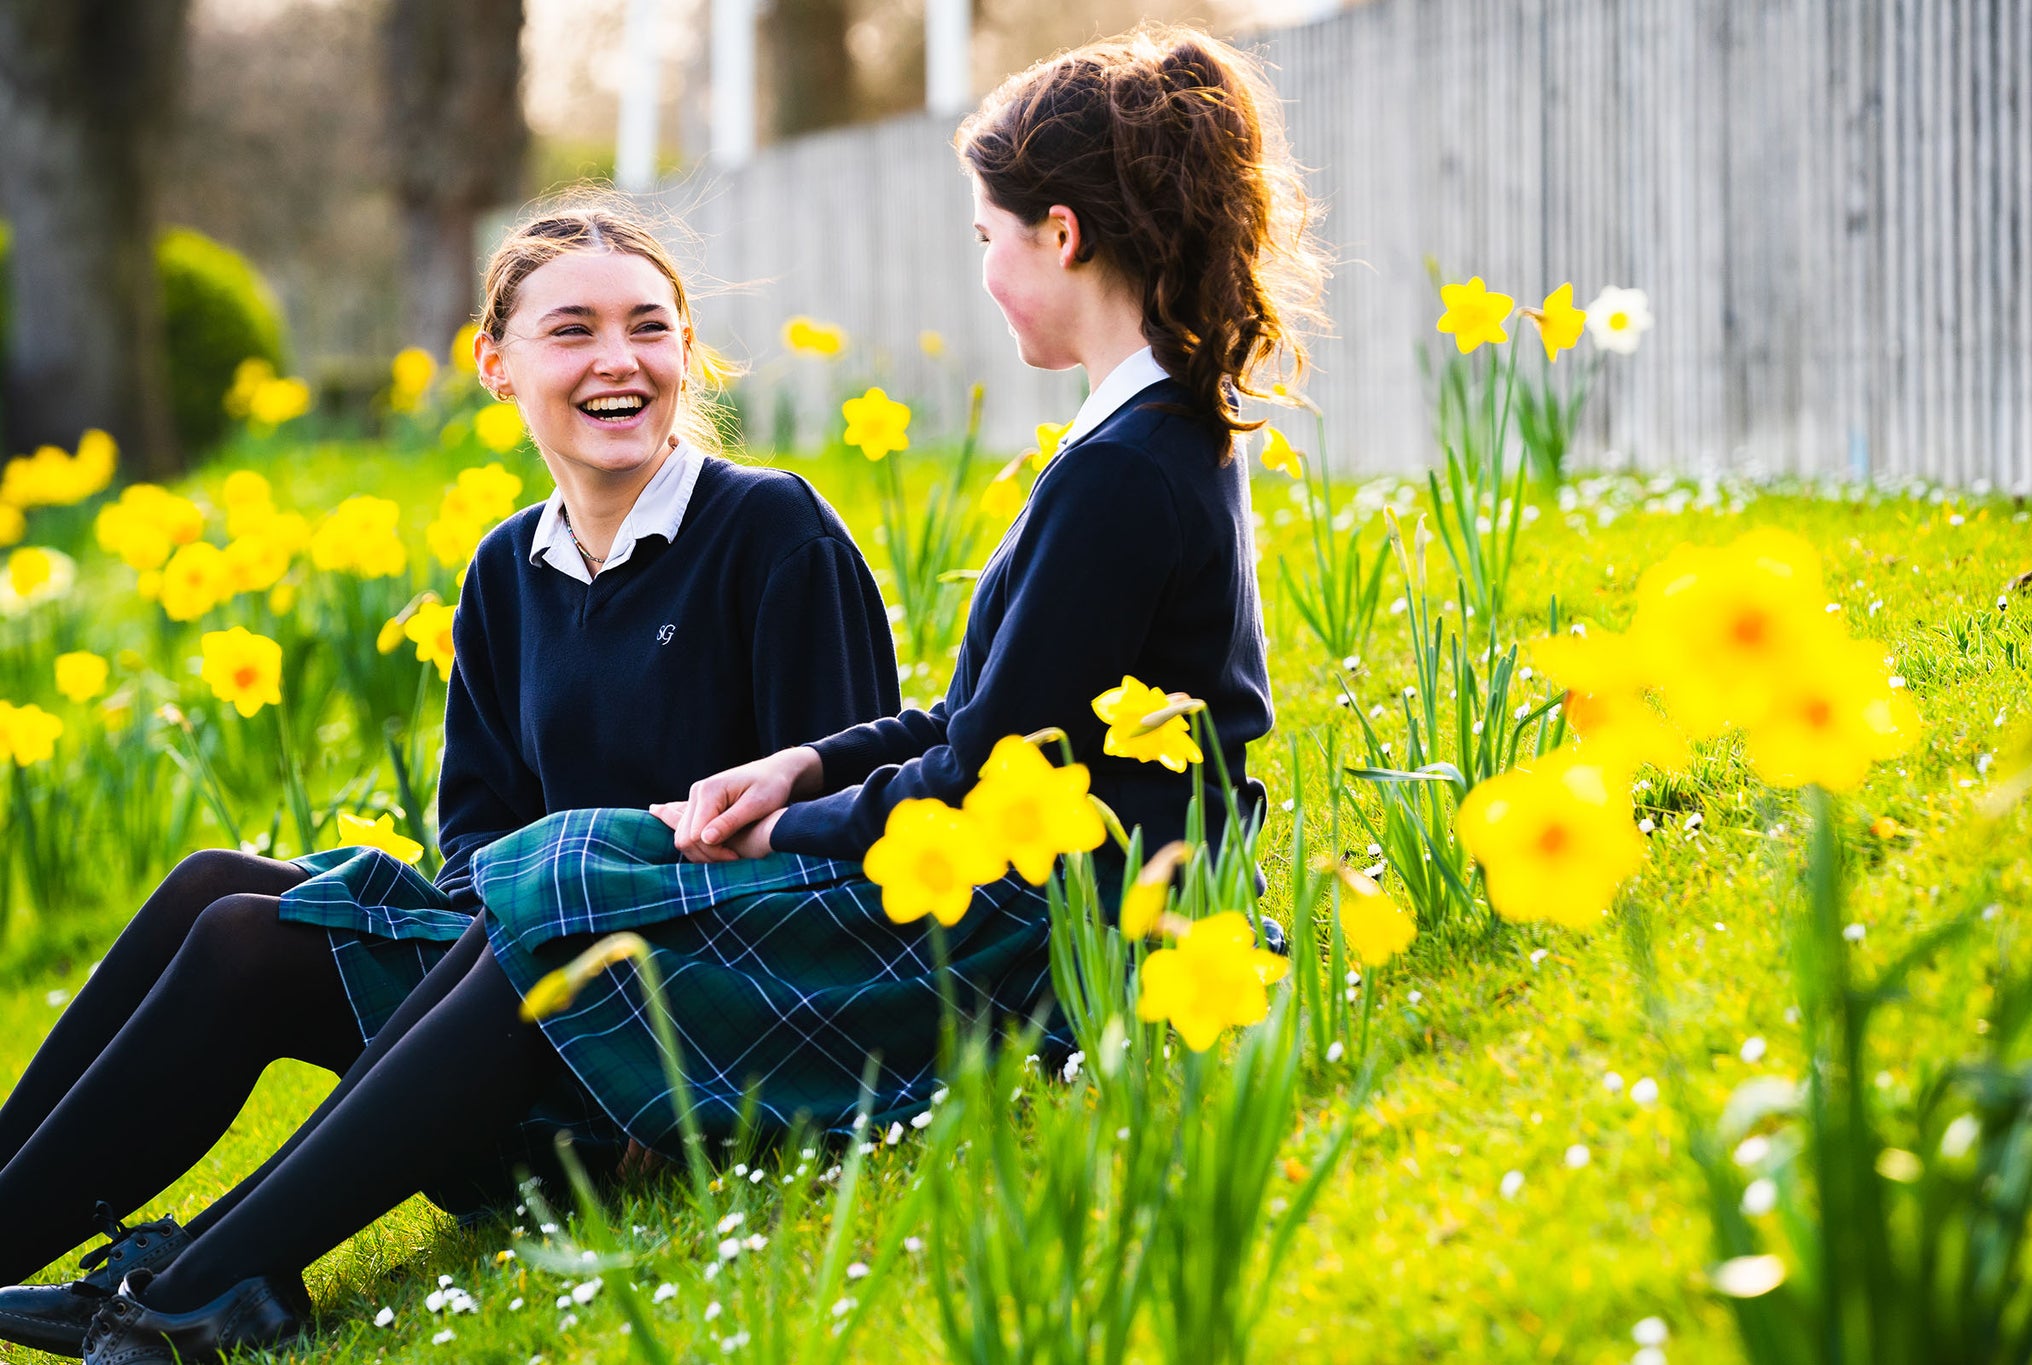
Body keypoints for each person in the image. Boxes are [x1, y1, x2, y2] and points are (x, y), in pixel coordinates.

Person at [63, 25, 1327, 1363]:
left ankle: (203, 1280)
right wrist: (803, 769)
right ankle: (203, 1277)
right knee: (418, 878)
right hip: (1010, 882)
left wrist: (784, 822)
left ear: (1060, 236)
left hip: (1043, 930)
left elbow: (983, 779)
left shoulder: (1123, 470)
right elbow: (981, 728)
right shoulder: (1128, 444)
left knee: (571, 879)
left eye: (986, 237)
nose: (989, 273)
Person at [0, 198, 898, 1360]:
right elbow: (476, 839)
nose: (618, 362)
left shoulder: (772, 532)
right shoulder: (505, 569)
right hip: (513, 991)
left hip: (674, 1036)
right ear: (496, 364)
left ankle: (205, 1272)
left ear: (687, 351)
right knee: (212, 884)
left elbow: (830, 864)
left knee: (241, 942)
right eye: (571, 330)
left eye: (650, 327)